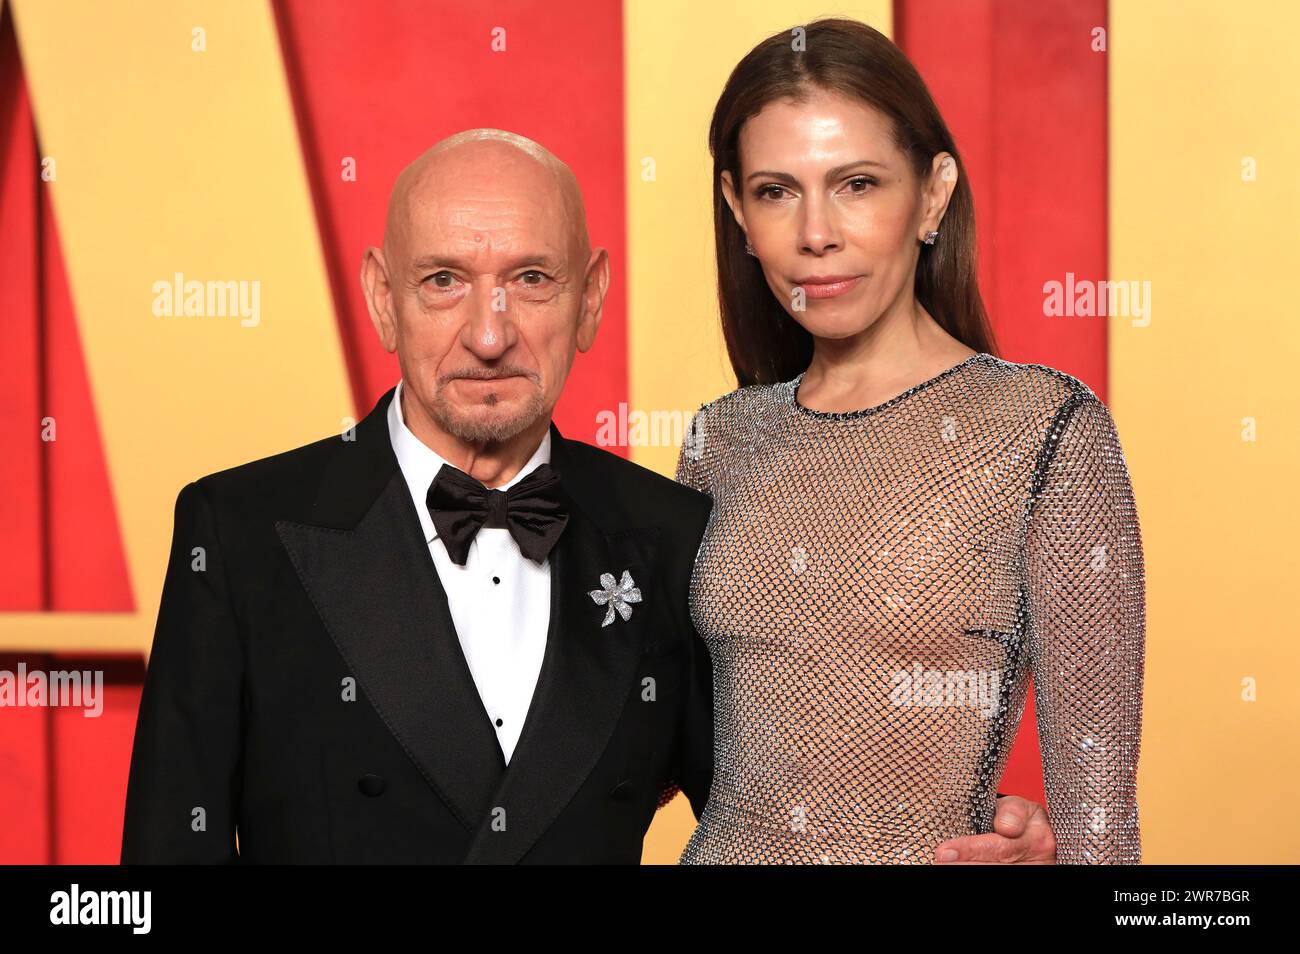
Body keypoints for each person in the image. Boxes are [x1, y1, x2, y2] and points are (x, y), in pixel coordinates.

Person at [119, 130, 716, 864]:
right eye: (443, 280)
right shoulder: (239, 533)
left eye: (531, 278)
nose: (490, 335)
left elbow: (764, 825)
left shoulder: (676, 536)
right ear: (382, 298)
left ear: (590, 298)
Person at [675, 18, 1144, 864]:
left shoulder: (1044, 431)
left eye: (857, 184)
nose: (816, 233)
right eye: (778, 191)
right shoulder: (723, 439)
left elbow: (1102, 820)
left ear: (933, 194)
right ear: (738, 210)